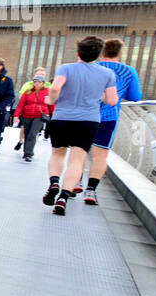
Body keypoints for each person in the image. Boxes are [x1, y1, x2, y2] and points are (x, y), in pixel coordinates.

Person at [42, 36, 118, 216]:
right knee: (77, 159)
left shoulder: (66, 68)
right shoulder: (107, 74)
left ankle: (54, 182)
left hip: (62, 117)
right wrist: (100, 96)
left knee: (58, 153)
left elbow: (54, 88)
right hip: (89, 120)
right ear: (99, 55)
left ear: (78, 53)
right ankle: (63, 197)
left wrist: (51, 100)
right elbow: (112, 101)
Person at [85, 38, 143, 204]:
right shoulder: (129, 71)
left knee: (80, 150)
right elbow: (135, 97)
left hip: (86, 115)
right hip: (109, 117)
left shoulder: (91, 67)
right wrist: (119, 92)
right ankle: (91, 191)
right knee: (100, 155)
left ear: (101, 53)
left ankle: (75, 183)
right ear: (120, 54)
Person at [12, 73, 53, 162]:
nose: (37, 84)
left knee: (32, 134)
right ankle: (26, 151)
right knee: (27, 133)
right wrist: (16, 115)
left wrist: (53, 115)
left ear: (43, 83)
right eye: (35, 82)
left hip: (39, 116)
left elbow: (51, 105)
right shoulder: (28, 92)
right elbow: (21, 105)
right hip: (27, 115)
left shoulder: (47, 92)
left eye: (39, 82)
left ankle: (28, 153)